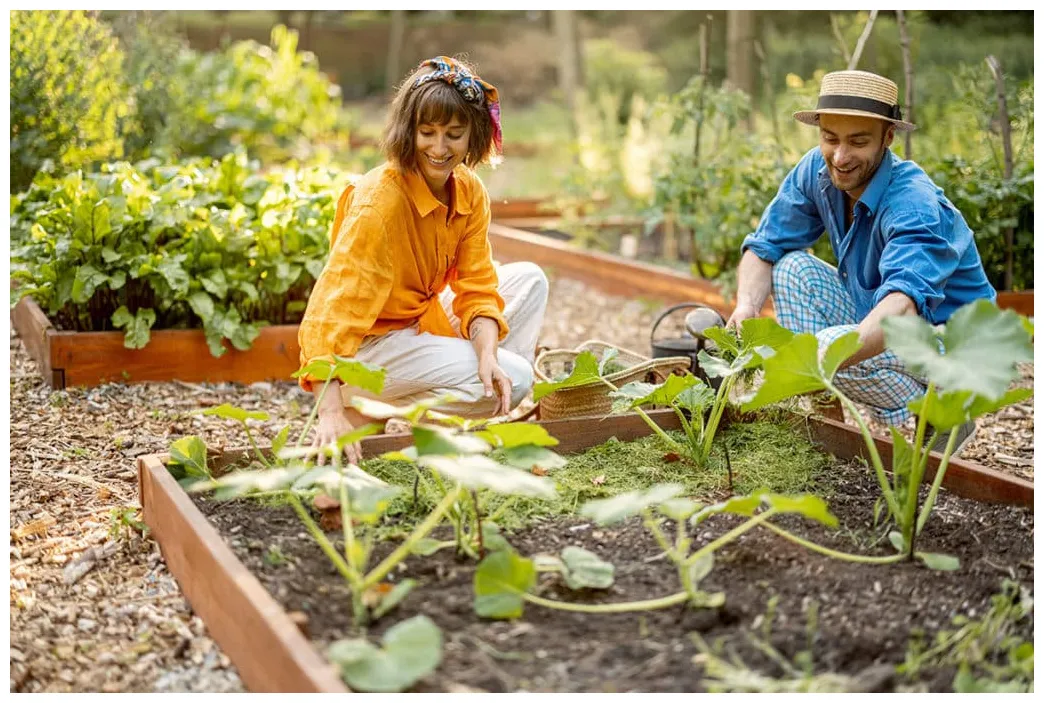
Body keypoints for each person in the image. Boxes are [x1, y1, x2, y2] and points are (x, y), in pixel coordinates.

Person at [728, 69, 995, 454]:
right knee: (790, 270)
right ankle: (827, 428)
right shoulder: (818, 172)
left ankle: (948, 408)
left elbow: (901, 305)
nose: (840, 156)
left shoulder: (912, 203)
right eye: (830, 138)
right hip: (888, 320)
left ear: (888, 137)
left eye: (857, 141)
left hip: (950, 346)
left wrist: (806, 362)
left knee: (825, 349)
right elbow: (765, 245)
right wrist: (747, 307)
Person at [297, 56, 549, 463]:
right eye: (427, 132)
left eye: (454, 134)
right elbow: (331, 311)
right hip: (369, 349)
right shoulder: (380, 205)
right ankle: (366, 405)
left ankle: (463, 411)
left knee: (530, 280)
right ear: (408, 131)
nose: (439, 147)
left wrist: (487, 354)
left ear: (473, 135)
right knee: (520, 377)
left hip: (417, 319)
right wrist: (328, 411)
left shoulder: (468, 190)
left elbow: (478, 287)